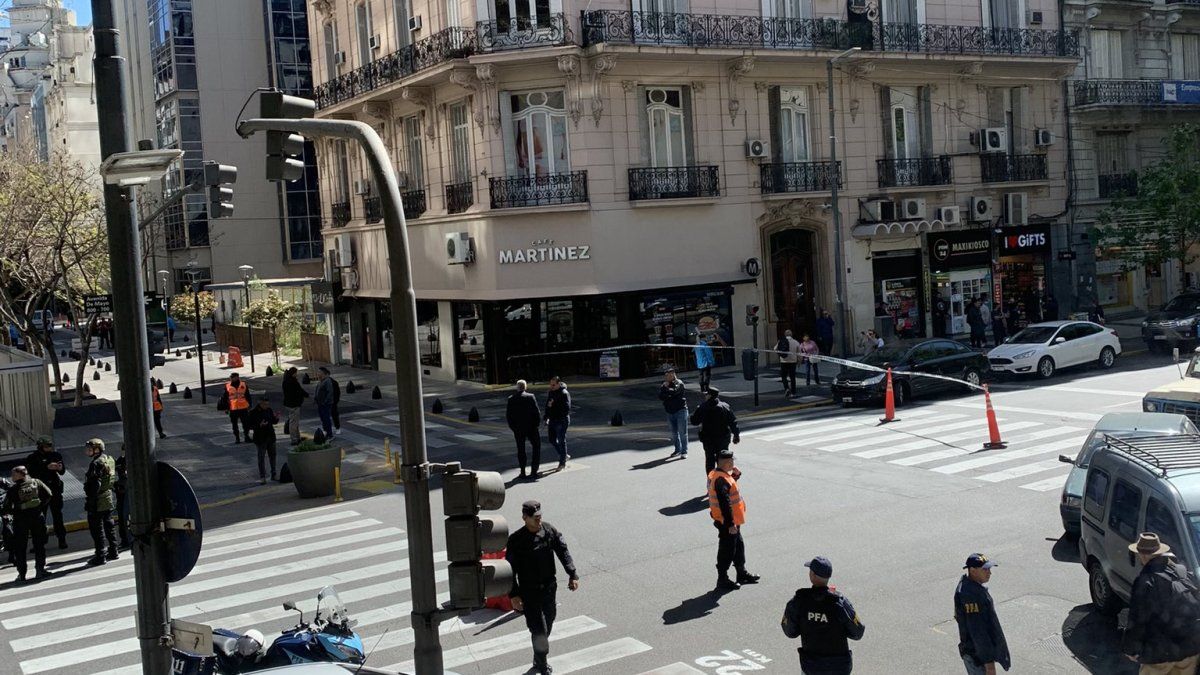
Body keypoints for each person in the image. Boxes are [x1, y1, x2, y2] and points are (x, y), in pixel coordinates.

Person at [506, 500, 580, 675]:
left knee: (550, 620)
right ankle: (542, 663)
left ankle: (538, 654)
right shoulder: (516, 540)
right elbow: (509, 570)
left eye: (540, 516)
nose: (538, 519)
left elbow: (563, 551)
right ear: (525, 517)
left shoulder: (548, 530)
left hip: (548, 588)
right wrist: (514, 595)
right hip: (529, 592)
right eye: (534, 517)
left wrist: (573, 574)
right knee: (539, 629)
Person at [1121, 533, 1200, 674]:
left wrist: (1131, 649)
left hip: (1160, 653)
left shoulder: (1146, 581)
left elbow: (1138, 620)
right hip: (1190, 648)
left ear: (1143, 555)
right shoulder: (1181, 571)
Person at [781, 556, 866, 674]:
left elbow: (790, 631)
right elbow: (857, 632)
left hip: (811, 667)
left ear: (812, 575)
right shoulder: (839, 602)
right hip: (839, 667)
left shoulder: (799, 600)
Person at [707, 449, 758, 590]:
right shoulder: (720, 480)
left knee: (738, 546)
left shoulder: (720, 475)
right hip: (727, 523)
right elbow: (725, 503)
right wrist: (730, 524)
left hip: (733, 522)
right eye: (732, 461)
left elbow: (730, 486)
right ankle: (722, 579)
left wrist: (736, 475)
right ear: (727, 462)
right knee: (727, 550)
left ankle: (741, 573)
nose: (733, 463)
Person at [955, 553, 1010, 674]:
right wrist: (989, 663)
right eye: (985, 569)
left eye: (989, 569)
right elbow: (978, 632)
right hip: (977, 657)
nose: (989, 572)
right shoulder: (970, 595)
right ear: (973, 570)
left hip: (978, 654)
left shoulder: (972, 587)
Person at [1, 466, 53, 583]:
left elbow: (6, 508)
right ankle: (40, 570)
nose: (12, 477)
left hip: (20, 521)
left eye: (14, 474)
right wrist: (39, 506)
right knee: (39, 545)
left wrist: (15, 511)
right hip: (37, 518)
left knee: (20, 548)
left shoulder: (13, 490)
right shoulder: (36, 482)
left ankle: (22, 573)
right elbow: (49, 494)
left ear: (21, 474)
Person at [25, 436, 67, 549]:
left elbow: (62, 471)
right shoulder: (33, 458)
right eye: (47, 446)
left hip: (54, 489)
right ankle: (39, 542)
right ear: (41, 446)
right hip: (40, 491)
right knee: (39, 518)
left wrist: (59, 468)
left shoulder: (55, 456)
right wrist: (46, 467)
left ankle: (61, 539)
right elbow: (31, 472)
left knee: (57, 515)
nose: (49, 448)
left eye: (50, 445)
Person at [83, 438, 119, 566]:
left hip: (97, 499)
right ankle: (114, 551)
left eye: (90, 449)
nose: (87, 451)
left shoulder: (96, 463)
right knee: (109, 526)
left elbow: (94, 484)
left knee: (97, 529)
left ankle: (100, 555)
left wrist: (91, 498)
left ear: (97, 449)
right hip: (108, 496)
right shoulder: (109, 459)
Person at [690, 386, 740, 476]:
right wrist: (736, 435)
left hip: (708, 439)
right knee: (723, 460)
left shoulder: (703, 407)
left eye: (707, 394)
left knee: (710, 461)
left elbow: (694, 421)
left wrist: (693, 416)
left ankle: (711, 481)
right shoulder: (725, 406)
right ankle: (723, 479)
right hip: (723, 439)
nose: (705, 396)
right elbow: (733, 422)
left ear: (710, 396)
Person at [506, 380, 543, 479]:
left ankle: (522, 471)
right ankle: (534, 471)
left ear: (517, 387)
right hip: (531, 427)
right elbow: (537, 412)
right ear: (525, 387)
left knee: (521, 449)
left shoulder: (511, 399)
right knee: (536, 447)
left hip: (518, 428)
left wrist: (513, 427)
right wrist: (536, 425)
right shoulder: (530, 397)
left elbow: (508, 416)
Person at [247, 398, 279, 484]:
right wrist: (259, 425)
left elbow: (273, 421)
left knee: (273, 456)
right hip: (260, 437)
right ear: (260, 404)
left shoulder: (269, 410)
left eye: (267, 404)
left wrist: (276, 418)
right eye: (265, 404)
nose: (267, 406)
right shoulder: (253, 412)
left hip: (270, 435)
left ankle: (274, 473)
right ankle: (262, 476)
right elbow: (249, 425)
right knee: (261, 457)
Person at [659, 368, 689, 459]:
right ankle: (677, 450)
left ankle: (684, 451)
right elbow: (660, 396)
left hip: (680, 410)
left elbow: (675, 392)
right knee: (674, 433)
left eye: (669, 375)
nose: (667, 377)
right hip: (669, 411)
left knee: (682, 432)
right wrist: (667, 391)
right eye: (666, 375)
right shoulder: (664, 385)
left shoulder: (679, 383)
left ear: (673, 375)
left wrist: (667, 391)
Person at [544, 376, 571, 470]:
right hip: (552, 419)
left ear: (559, 384)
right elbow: (548, 404)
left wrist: (554, 408)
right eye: (550, 384)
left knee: (561, 440)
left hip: (561, 420)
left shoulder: (564, 393)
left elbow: (566, 408)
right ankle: (563, 455)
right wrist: (546, 416)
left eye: (553, 385)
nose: (551, 386)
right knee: (552, 439)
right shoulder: (551, 392)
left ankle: (562, 463)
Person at [219, 372, 252, 443]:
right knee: (234, 424)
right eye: (231, 377)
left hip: (243, 408)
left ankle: (246, 436)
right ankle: (237, 438)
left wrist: (250, 405)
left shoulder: (243, 384)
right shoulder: (228, 386)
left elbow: (248, 395)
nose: (231, 378)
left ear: (237, 377)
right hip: (233, 408)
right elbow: (225, 397)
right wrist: (226, 408)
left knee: (246, 424)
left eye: (232, 377)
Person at [281, 367, 308, 446]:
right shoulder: (292, 381)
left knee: (294, 422)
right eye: (296, 373)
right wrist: (306, 395)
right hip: (294, 404)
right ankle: (294, 439)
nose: (297, 374)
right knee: (293, 423)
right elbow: (299, 390)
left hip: (289, 403)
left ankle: (297, 437)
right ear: (293, 373)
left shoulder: (286, 380)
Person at [114, 444, 131, 549]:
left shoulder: (134, 460)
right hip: (122, 491)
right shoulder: (120, 460)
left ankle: (129, 537)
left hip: (131, 491)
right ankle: (124, 539)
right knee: (121, 516)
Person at [314, 367, 335, 440]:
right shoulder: (321, 381)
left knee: (326, 419)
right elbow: (317, 390)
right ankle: (325, 432)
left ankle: (329, 434)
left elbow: (330, 392)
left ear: (323, 373)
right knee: (323, 419)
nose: (318, 373)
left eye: (319, 372)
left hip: (325, 403)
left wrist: (325, 401)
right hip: (320, 403)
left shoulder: (327, 381)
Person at [778, 330, 801, 397]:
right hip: (793, 362)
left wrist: (780, 355)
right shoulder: (796, 342)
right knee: (792, 377)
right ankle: (793, 392)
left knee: (783, 376)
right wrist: (799, 362)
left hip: (783, 361)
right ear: (791, 335)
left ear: (785, 335)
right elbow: (799, 353)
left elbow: (775, 348)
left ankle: (787, 388)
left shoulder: (781, 341)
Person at [330, 372, 343, 437]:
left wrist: (335, 401)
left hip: (332, 402)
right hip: (326, 402)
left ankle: (337, 427)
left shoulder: (333, 382)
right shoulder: (321, 382)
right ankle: (328, 429)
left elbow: (337, 393)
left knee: (334, 414)